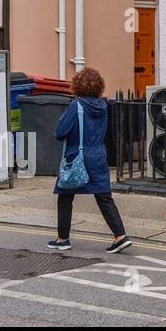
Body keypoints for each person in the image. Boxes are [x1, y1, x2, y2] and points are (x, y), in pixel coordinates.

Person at [46, 68, 131, 254]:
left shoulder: (76, 106)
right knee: (104, 196)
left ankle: (63, 239)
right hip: (99, 155)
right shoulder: (103, 106)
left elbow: (60, 133)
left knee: (65, 194)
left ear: (77, 85)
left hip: (77, 154)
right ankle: (120, 236)